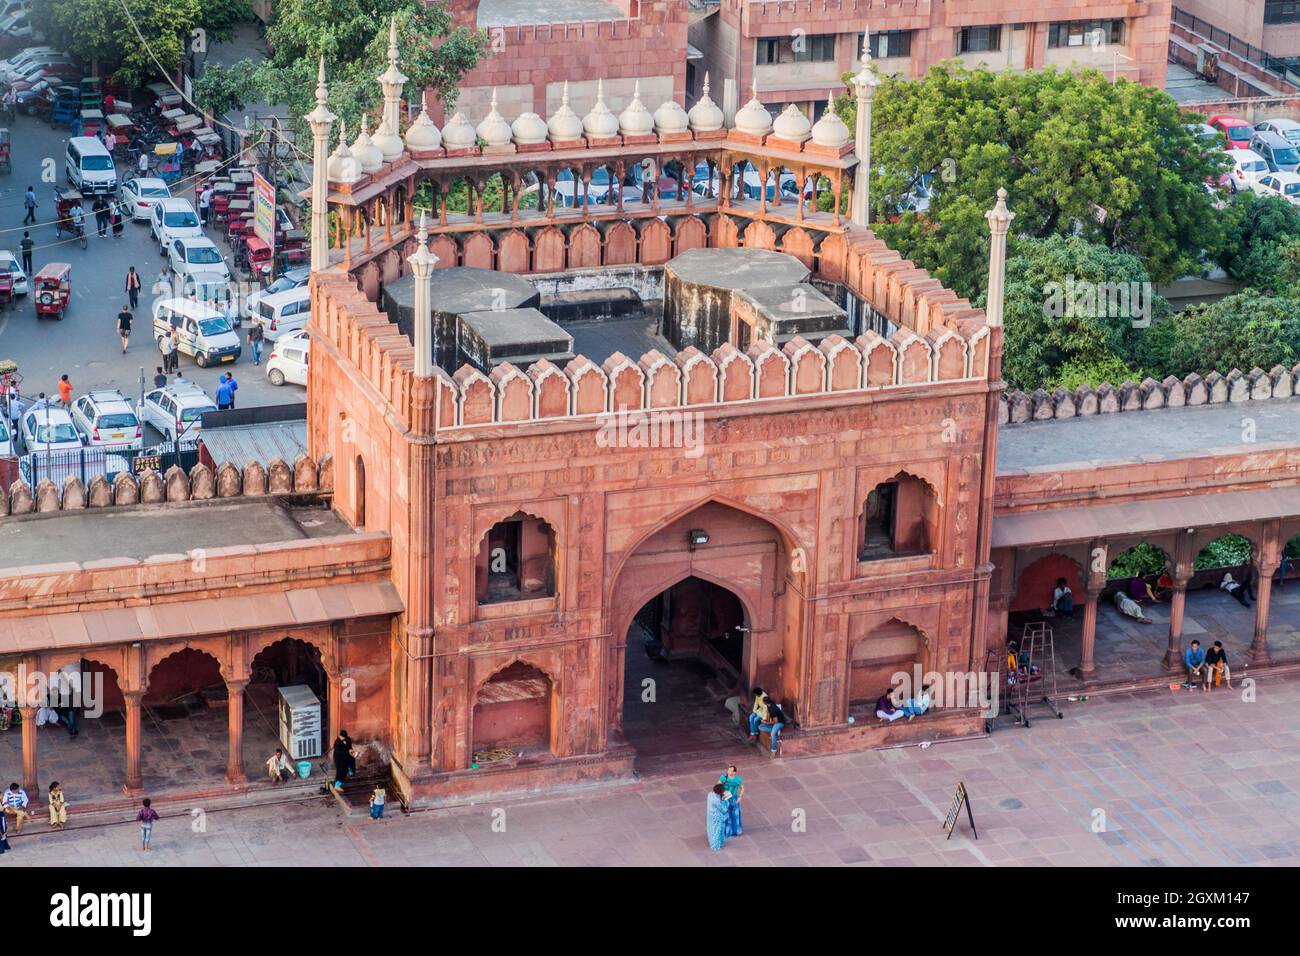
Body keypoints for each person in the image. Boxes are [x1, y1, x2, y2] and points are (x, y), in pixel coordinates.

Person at [718, 765, 743, 837]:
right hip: (725, 798)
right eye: (728, 770)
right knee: (726, 814)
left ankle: (736, 831)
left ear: (735, 772)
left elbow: (742, 788)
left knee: (735, 814)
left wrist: (740, 797)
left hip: (734, 798)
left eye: (731, 771)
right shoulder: (724, 777)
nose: (729, 772)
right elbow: (718, 785)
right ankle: (726, 831)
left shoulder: (737, 779)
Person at [706, 783, 729, 851]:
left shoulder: (710, 794)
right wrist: (726, 801)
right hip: (717, 816)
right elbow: (723, 809)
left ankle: (715, 843)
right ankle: (715, 845)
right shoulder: (716, 800)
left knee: (711, 828)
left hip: (711, 815)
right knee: (717, 830)